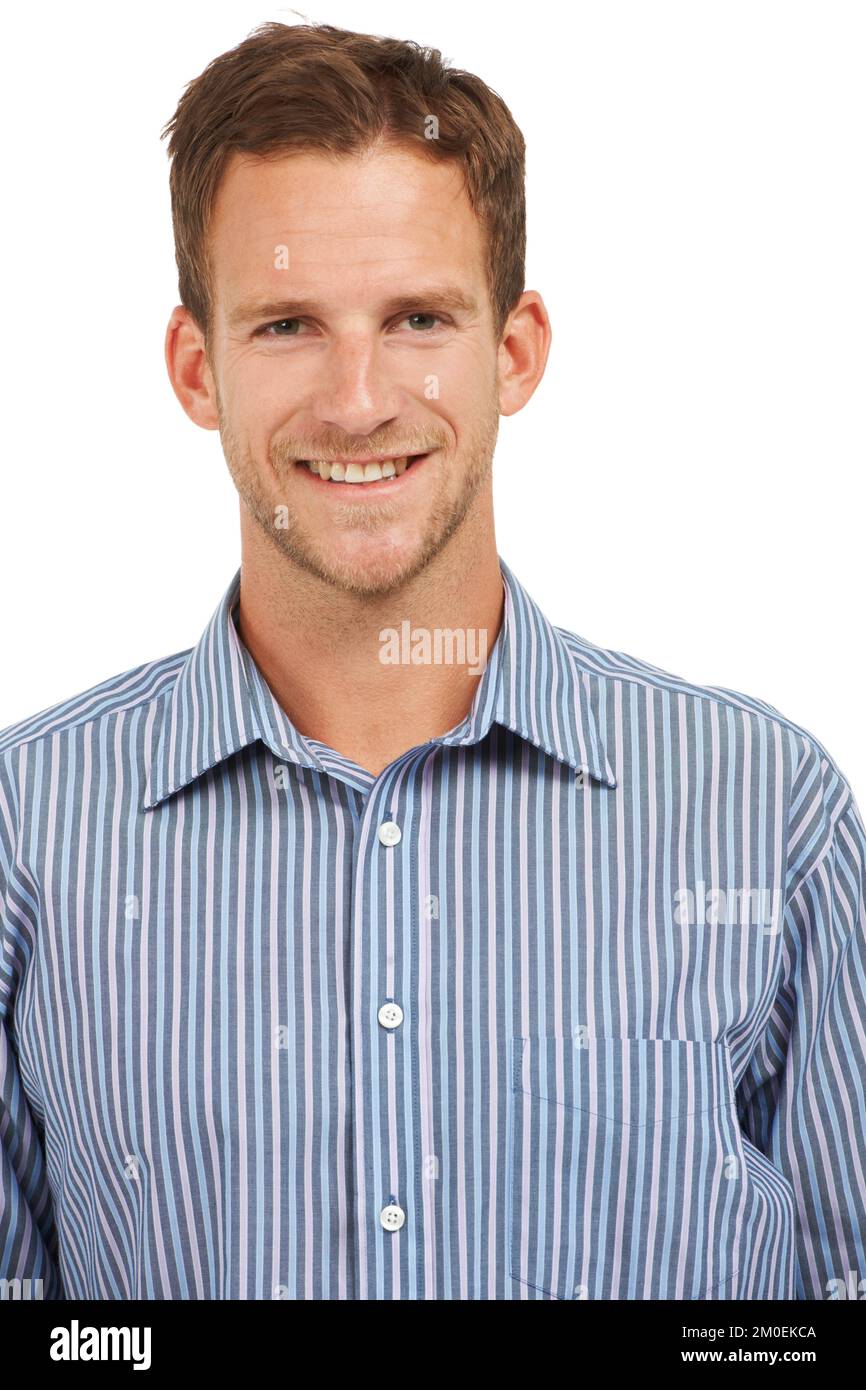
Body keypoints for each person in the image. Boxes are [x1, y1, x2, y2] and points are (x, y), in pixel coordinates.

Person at [1, 20, 864, 1302]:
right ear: (197, 368)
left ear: (511, 352)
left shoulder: (761, 809)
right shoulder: (30, 830)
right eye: (289, 323)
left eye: (416, 317)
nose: (358, 399)